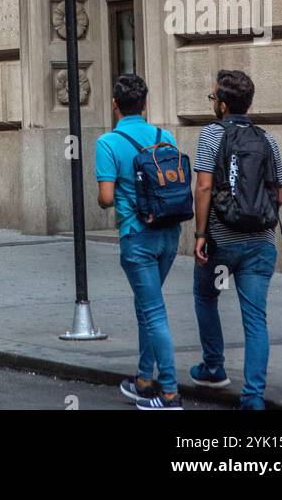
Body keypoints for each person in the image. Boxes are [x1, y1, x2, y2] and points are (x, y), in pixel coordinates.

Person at [192, 69, 282, 411]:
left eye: (214, 98)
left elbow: (203, 187)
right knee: (255, 318)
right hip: (261, 244)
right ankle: (253, 397)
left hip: (222, 243)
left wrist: (201, 234)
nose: (213, 102)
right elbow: (280, 193)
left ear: (224, 105)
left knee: (205, 294)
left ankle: (213, 367)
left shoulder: (211, 135)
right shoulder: (266, 138)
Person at [95, 72, 182, 410]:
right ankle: (145, 377)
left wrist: (121, 190)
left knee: (153, 311)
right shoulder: (165, 136)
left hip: (137, 237)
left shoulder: (108, 143)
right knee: (147, 305)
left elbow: (104, 198)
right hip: (170, 234)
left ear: (115, 105)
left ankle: (170, 393)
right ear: (145, 104)